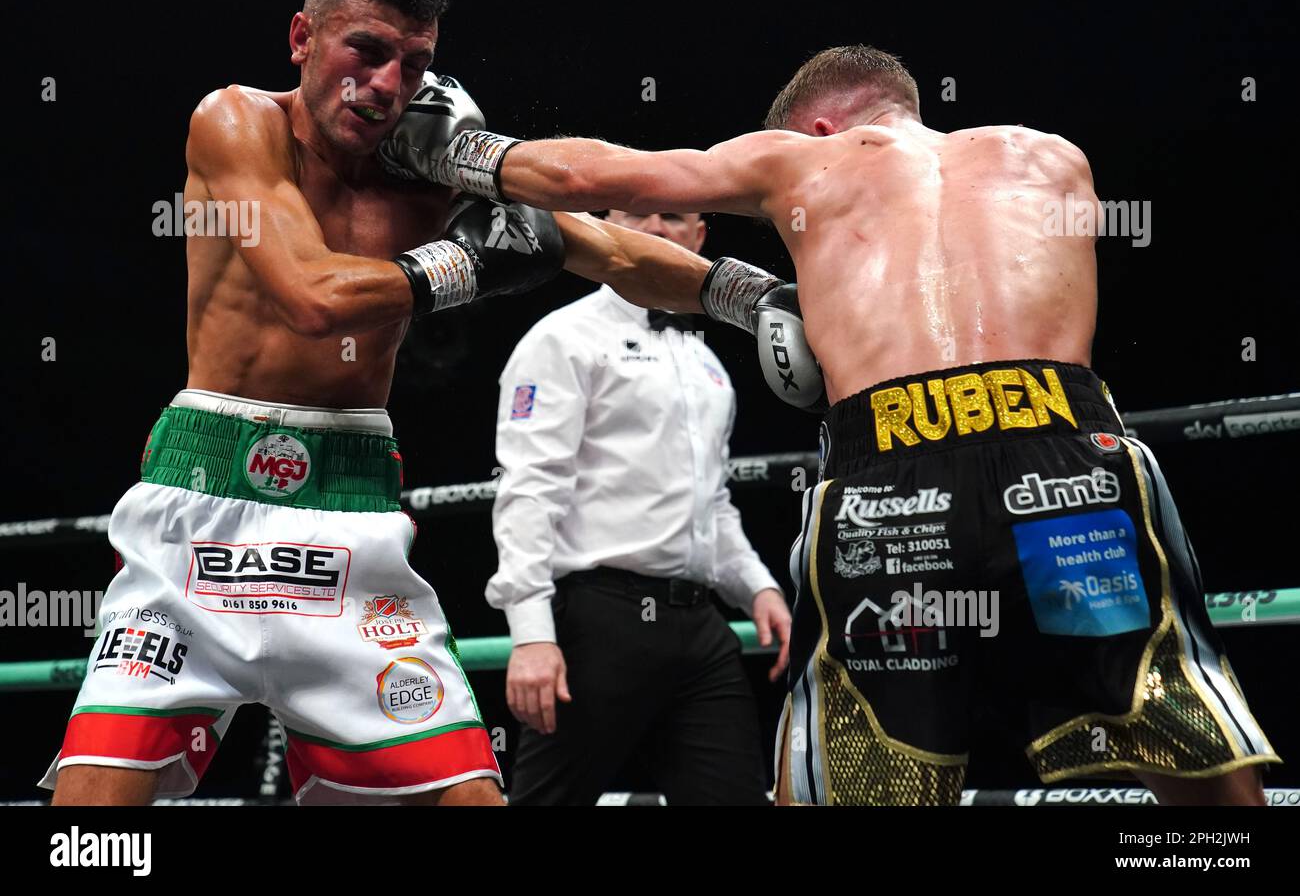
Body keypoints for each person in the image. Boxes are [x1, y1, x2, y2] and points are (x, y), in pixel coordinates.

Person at [379, 44, 1279, 805]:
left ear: (818, 128)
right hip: (1068, 464)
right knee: (1189, 754)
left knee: (863, 779)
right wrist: (770, 296)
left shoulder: (805, 160)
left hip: (894, 481)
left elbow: (581, 176)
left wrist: (449, 148)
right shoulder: (1052, 157)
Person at [40, 0, 802, 807]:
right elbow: (312, 298)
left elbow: (615, 247)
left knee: (470, 800)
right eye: (364, 49)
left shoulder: (432, 167)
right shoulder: (236, 123)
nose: (386, 84)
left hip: (352, 506)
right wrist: (466, 264)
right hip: (202, 497)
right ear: (301, 37)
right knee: (95, 827)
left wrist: (759, 296)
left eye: (414, 65)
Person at [489, 209, 792, 805]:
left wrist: (758, 588)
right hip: (600, 620)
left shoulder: (706, 361)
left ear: (699, 238)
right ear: (605, 228)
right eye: (636, 215)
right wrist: (530, 634)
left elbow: (713, 501)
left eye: (674, 216)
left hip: (700, 627)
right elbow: (529, 485)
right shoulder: (563, 338)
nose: (656, 226)